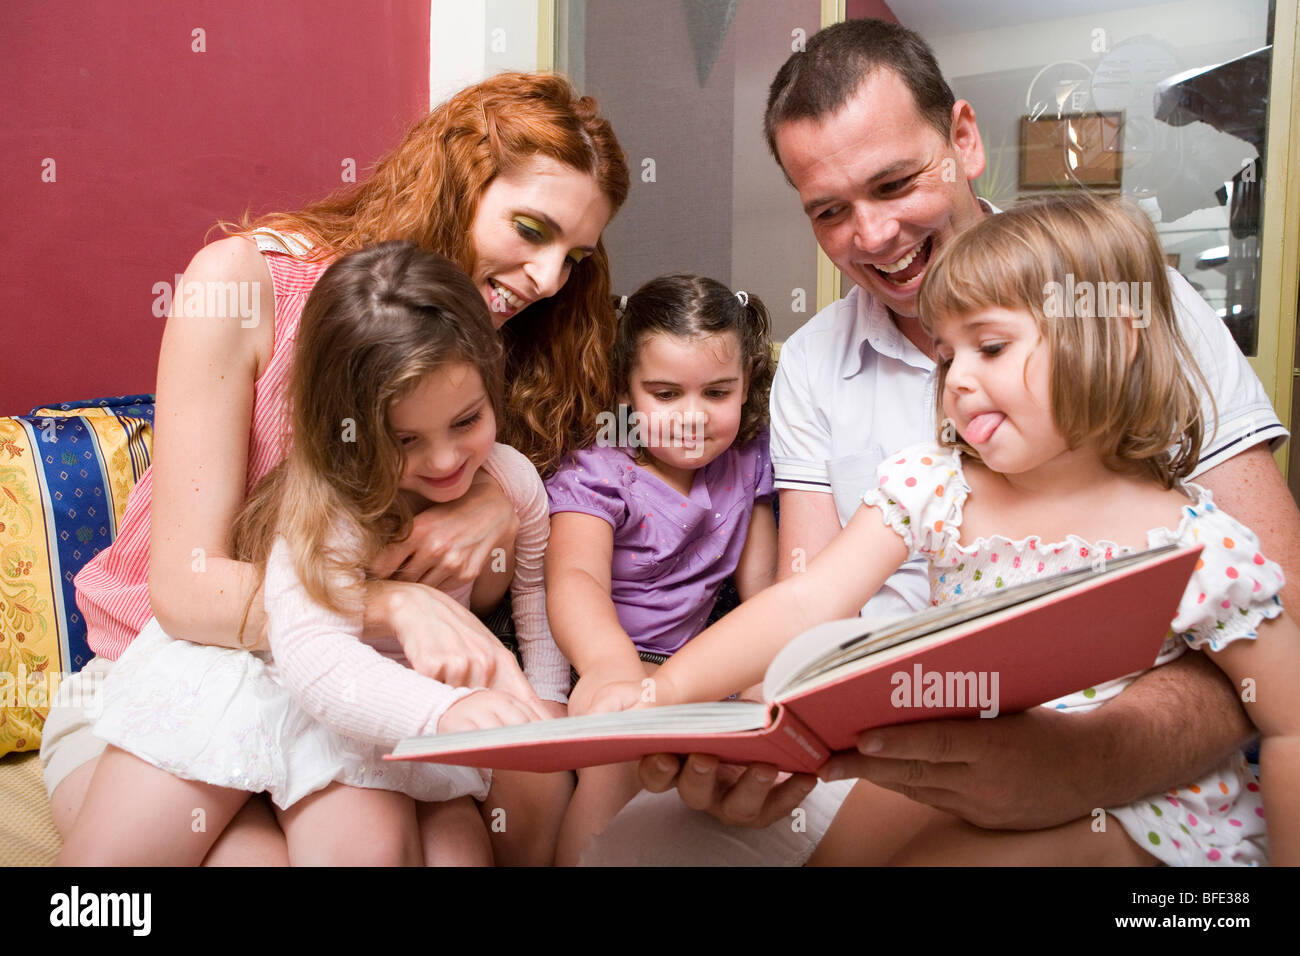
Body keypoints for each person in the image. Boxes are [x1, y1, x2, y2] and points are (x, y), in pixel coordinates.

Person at [597, 19, 1300, 864]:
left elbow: (1280, 675)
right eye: (829, 210)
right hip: (915, 740)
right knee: (639, 844)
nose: (871, 236)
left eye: (894, 184)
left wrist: (1091, 759)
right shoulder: (915, 465)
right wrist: (679, 698)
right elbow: (805, 603)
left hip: (1137, 793)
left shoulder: (1185, 509)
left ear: (963, 140)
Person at [41, 72, 628, 865]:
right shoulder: (243, 285)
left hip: (365, 707)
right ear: (458, 183)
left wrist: (500, 499)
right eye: (530, 229)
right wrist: (386, 603)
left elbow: (488, 592)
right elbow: (184, 593)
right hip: (178, 685)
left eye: (575, 257)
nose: (550, 278)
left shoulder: (510, 349)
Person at [59, 243, 574, 865]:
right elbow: (316, 657)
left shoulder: (510, 482)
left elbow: (534, 593)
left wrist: (549, 706)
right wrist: (444, 711)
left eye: (466, 422)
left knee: (448, 852)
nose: (444, 461)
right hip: (273, 677)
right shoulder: (336, 503)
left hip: (377, 706)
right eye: (405, 438)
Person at [544, 275, 778, 863]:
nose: (693, 418)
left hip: (705, 669)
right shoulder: (598, 473)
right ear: (626, 393)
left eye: (718, 393)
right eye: (666, 395)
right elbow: (577, 578)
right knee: (616, 773)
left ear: (746, 387)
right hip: (618, 661)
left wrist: (764, 678)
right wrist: (608, 666)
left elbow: (765, 596)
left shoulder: (748, 461)